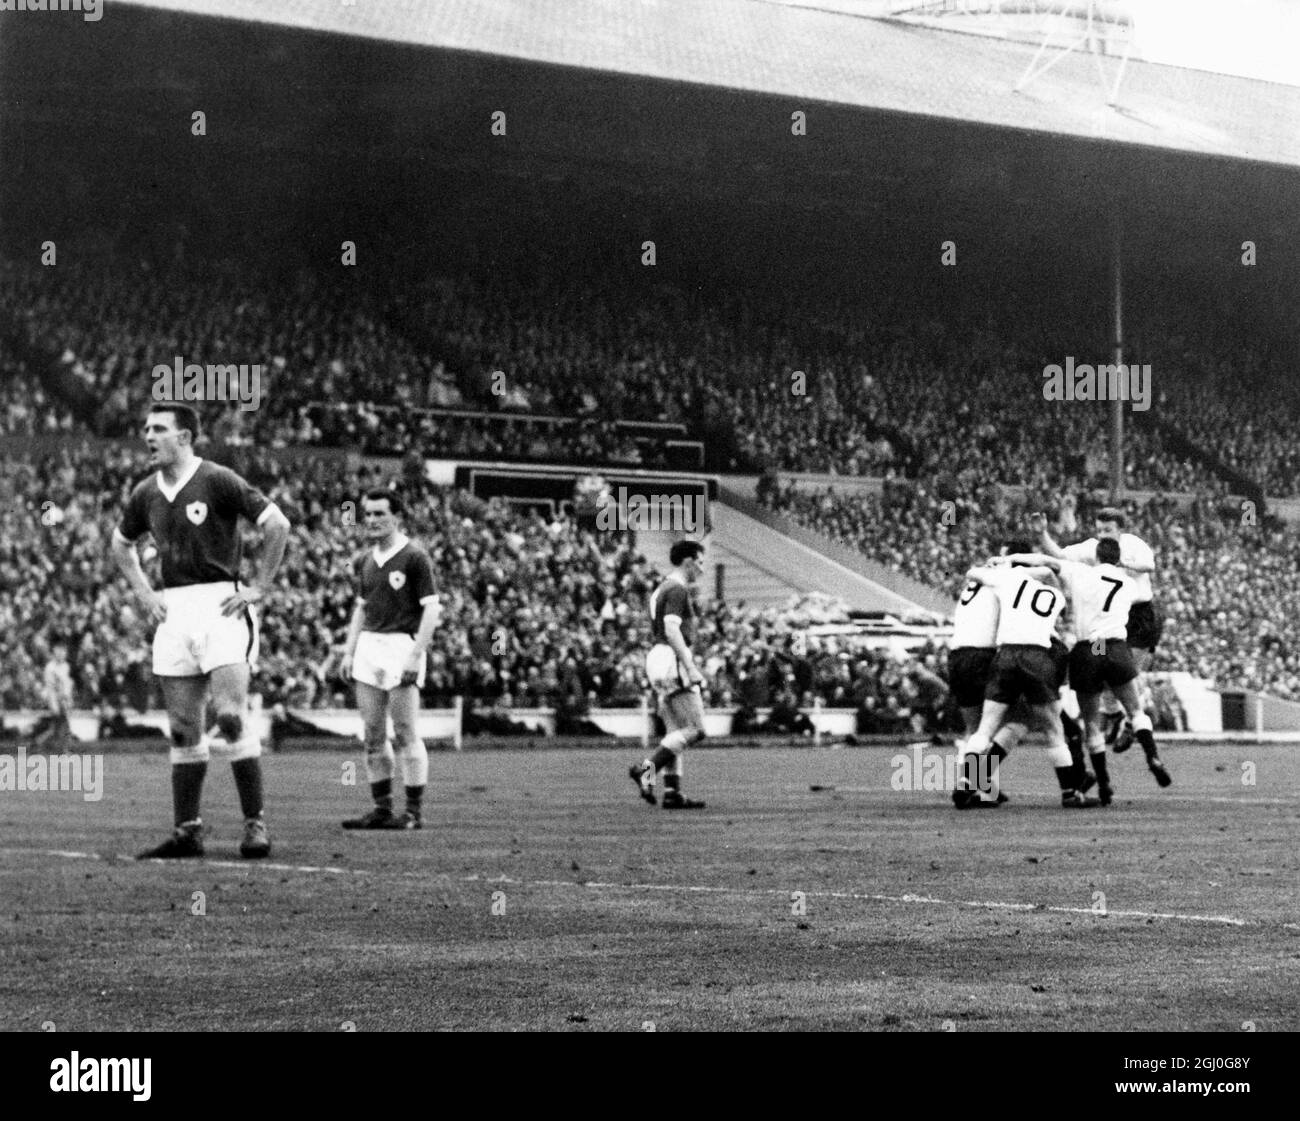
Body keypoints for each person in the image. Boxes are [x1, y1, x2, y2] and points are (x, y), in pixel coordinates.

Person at [111, 404, 291, 859]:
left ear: (186, 436)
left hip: (221, 604)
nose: (148, 436)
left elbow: (277, 524)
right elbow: (120, 544)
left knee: (230, 717)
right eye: (146, 428)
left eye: (158, 429)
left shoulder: (217, 478)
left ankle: (255, 825)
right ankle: (188, 831)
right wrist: (144, 594)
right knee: (182, 728)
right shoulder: (145, 492)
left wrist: (260, 587)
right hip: (175, 608)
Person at [1032, 507, 1168, 783]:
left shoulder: (1132, 545)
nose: (1103, 535)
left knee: (1128, 671)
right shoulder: (1095, 548)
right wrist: (1043, 534)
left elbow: (1149, 565)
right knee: (1108, 665)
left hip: (1139, 618)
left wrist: (1116, 563)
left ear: (1120, 529)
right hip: (1111, 627)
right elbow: (1060, 555)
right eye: (1100, 530)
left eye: (1108, 530)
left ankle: (1128, 722)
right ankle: (1120, 716)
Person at [957, 555, 1099, 809]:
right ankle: (1070, 792)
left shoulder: (1008, 580)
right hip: (1038, 657)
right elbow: (1053, 583)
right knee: (1054, 730)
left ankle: (968, 782)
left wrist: (997, 566)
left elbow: (972, 573)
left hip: (1006, 655)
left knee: (985, 727)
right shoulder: (1055, 596)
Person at [340, 490, 442, 830]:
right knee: (371, 733)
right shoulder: (366, 560)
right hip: (369, 646)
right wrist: (349, 650)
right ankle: (382, 808)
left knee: (404, 731)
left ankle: (413, 812)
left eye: (379, 514)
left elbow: (432, 609)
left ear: (396, 516)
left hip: (402, 646)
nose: (371, 520)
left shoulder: (415, 557)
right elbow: (361, 608)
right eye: (367, 514)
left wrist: (416, 655)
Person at [628, 540, 708, 809]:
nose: (702, 568)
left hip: (658, 657)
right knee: (696, 729)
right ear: (687, 562)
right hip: (671, 658)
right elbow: (672, 630)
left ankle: (672, 793)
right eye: (699, 562)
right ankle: (647, 770)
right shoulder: (677, 589)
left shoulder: (661, 588)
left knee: (674, 732)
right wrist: (691, 666)